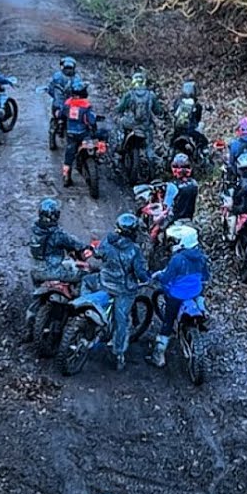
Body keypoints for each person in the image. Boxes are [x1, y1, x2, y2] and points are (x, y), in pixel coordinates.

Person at [149, 224, 209, 367]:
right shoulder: (201, 257)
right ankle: (203, 311)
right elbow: (206, 276)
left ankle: (158, 356)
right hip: (196, 291)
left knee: (167, 323)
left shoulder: (178, 259)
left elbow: (166, 278)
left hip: (177, 295)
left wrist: (158, 276)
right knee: (200, 295)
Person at [95, 213, 150, 371]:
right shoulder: (134, 250)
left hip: (104, 281)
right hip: (123, 289)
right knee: (122, 322)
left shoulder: (108, 240)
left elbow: (98, 253)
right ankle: (118, 353)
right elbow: (140, 273)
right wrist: (147, 277)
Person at [114, 70, 169, 171]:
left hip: (130, 124)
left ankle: (120, 148)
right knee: (149, 145)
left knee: (120, 126)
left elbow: (120, 108)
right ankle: (151, 161)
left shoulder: (129, 94)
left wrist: (119, 112)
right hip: (145, 126)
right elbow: (158, 110)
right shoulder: (151, 95)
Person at [28, 198, 89, 285]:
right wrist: (87, 247)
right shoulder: (57, 234)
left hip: (36, 269)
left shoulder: (35, 228)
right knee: (86, 276)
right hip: (53, 271)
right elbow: (73, 243)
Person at [61, 78, 97, 187]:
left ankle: (66, 176)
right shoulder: (86, 105)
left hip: (71, 133)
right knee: (94, 140)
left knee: (69, 155)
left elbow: (61, 114)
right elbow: (91, 120)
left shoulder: (67, 103)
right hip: (83, 133)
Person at [169, 80, 208, 157]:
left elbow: (174, 114)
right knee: (203, 141)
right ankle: (203, 153)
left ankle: (169, 154)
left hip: (178, 131)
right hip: (191, 131)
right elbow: (198, 119)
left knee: (171, 143)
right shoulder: (197, 105)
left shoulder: (177, 102)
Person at [163, 153, 199, 223]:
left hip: (175, 222)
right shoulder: (194, 183)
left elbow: (166, 209)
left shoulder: (172, 186)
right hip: (189, 221)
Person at [44, 56, 78, 124]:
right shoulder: (77, 78)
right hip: (72, 106)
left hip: (58, 106)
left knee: (56, 119)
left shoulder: (57, 76)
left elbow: (51, 90)